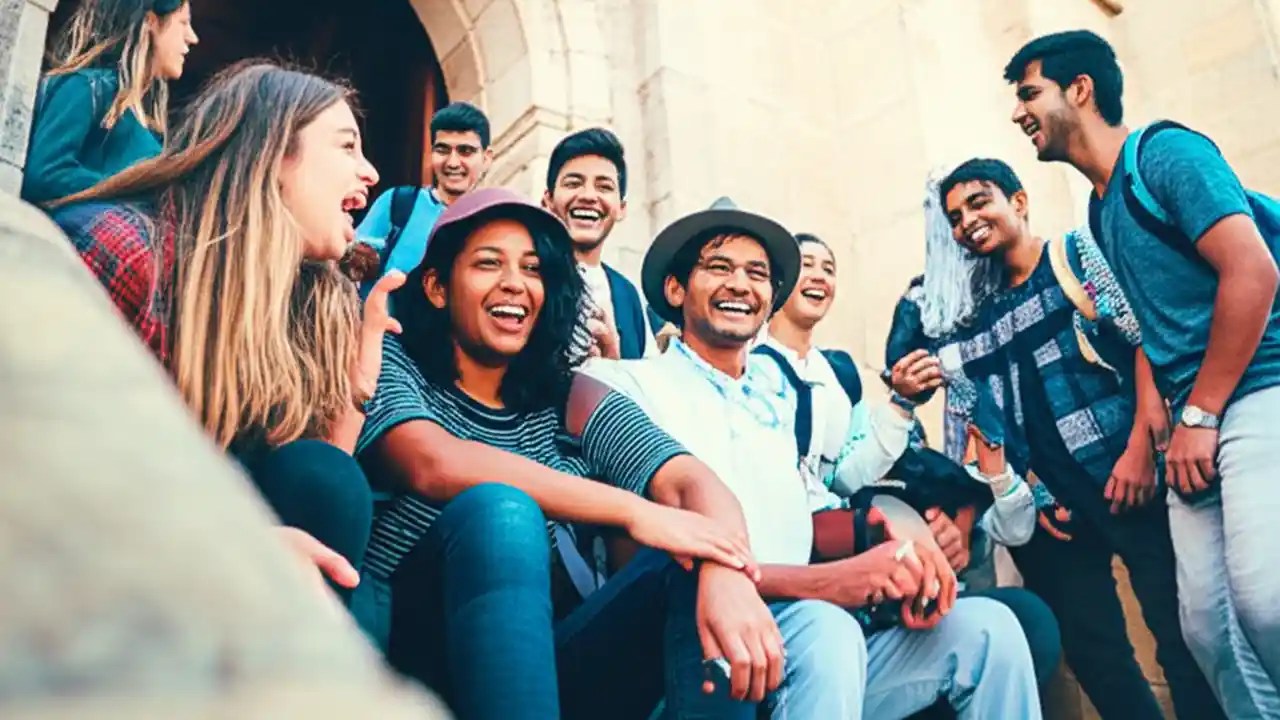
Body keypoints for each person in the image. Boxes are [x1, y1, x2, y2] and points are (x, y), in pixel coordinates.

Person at [586, 197, 1043, 719]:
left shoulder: (776, 401)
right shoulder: (628, 385)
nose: (740, 284)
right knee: (827, 629)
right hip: (697, 637)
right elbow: (641, 555)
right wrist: (835, 583)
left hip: (808, 638)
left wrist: (899, 543)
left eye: (757, 273)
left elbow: (815, 508)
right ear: (675, 289)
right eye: (719, 267)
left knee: (991, 631)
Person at [351, 187, 781, 720]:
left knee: (694, 572)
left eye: (533, 269)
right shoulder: (395, 358)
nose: (515, 283)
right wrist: (636, 512)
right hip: (404, 658)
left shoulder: (569, 396)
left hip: (531, 669)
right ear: (438, 287)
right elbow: (432, 463)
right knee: (502, 512)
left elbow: (690, 480)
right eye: (488, 263)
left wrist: (726, 569)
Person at [1005, 29, 1280, 716]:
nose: (1018, 113)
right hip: (1193, 427)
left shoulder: (1167, 154)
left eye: (1030, 93)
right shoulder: (1100, 213)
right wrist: (1163, 418)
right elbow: (1151, 331)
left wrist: (1201, 413)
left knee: (1267, 603)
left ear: (1080, 89)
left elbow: (1253, 272)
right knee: (1208, 632)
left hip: (1255, 392)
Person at [49, 61, 390, 605]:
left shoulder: (298, 307)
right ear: (273, 155)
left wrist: (360, 375)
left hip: (189, 580)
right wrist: (227, 547)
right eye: (347, 146)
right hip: (78, 577)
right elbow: (48, 469)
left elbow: (324, 489)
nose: (370, 172)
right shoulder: (122, 250)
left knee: (323, 477)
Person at [917, 157, 1224, 719]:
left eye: (979, 203)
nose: (967, 223)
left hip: (1127, 478)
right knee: (1095, 655)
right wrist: (1026, 492)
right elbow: (977, 415)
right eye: (955, 217)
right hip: (1048, 517)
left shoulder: (1078, 255)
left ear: (1019, 201)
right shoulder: (970, 316)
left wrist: (1141, 449)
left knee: (1182, 635)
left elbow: (1143, 336)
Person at [759, 232, 1060, 691]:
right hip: (790, 559)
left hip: (846, 541)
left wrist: (902, 406)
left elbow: (847, 477)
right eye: (807, 264)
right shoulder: (750, 365)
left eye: (829, 267)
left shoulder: (836, 377)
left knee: (1020, 623)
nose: (819, 275)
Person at [22, 0, 199, 206]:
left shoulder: (149, 123)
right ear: (151, 22)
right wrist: (127, 188)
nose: (192, 37)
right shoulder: (85, 87)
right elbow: (44, 174)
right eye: (183, 23)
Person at [542, 128, 656, 360]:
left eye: (604, 187)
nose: (588, 196)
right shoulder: (529, 278)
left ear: (621, 208)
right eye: (573, 183)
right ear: (548, 200)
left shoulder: (628, 295)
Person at [353, 102, 493, 290]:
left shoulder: (494, 223)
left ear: (486, 158)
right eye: (442, 150)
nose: (452, 162)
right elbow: (351, 265)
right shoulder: (399, 204)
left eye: (465, 151)